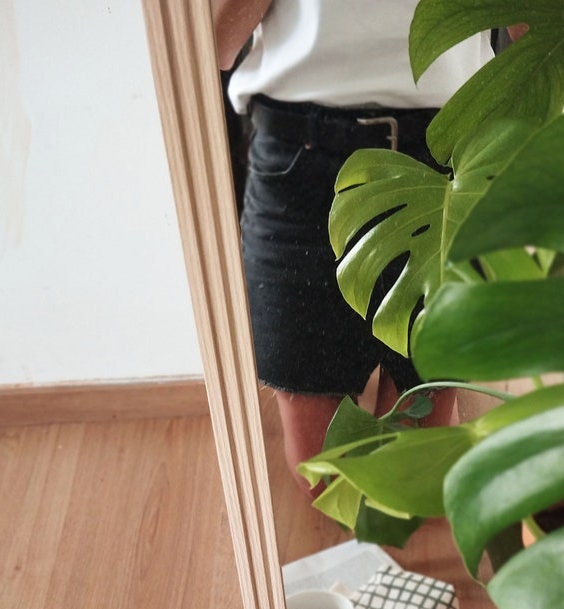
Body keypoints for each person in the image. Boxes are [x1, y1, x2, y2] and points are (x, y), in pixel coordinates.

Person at [211, 1, 493, 493]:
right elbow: (214, 44)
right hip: (301, 160)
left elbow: (539, 31)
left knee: (410, 474)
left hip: (448, 159)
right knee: (323, 478)